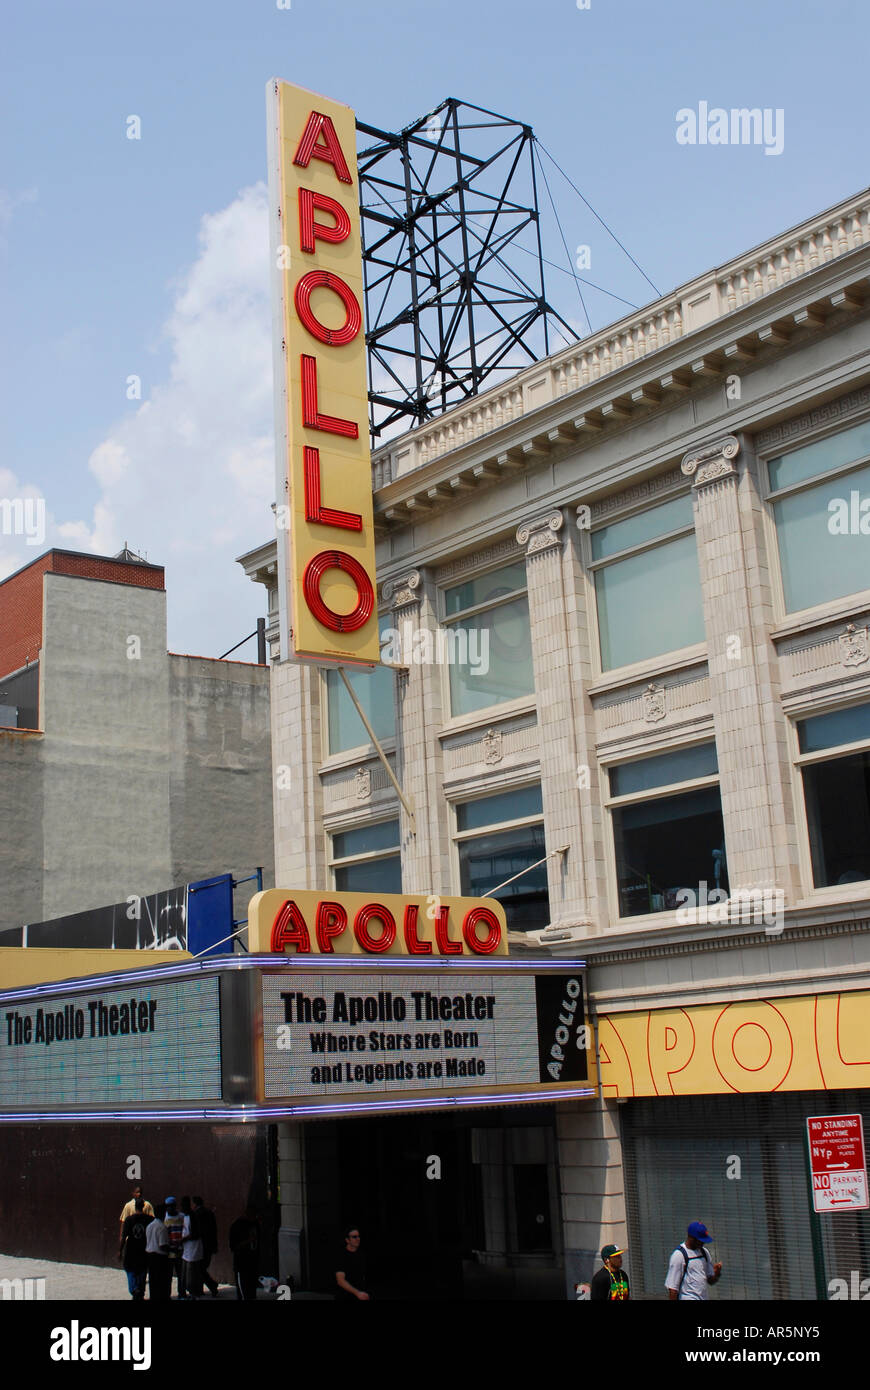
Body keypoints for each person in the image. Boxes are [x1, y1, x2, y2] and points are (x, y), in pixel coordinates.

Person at [666, 1222, 723, 1301]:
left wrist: (716, 1273)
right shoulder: (679, 1256)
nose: (703, 1243)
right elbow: (673, 1289)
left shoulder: (704, 1253)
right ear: (691, 1237)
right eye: (700, 1240)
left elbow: (710, 1281)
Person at [119, 1197, 149, 1300]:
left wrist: (120, 1250)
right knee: (142, 1271)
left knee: (130, 1270)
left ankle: (134, 1289)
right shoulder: (149, 1219)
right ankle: (139, 1290)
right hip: (144, 1250)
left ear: (135, 1206)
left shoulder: (129, 1220)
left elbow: (123, 1237)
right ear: (144, 1206)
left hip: (131, 1250)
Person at [229, 1206, 260, 1300]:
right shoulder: (237, 1226)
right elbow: (233, 1246)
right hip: (242, 1262)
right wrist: (248, 1241)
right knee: (243, 1289)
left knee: (251, 1288)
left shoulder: (255, 1224)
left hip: (252, 1260)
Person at [193, 1196, 219, 1297]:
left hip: (201, 1246)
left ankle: (212, 1285)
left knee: (199, 1268)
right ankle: (206, 1287)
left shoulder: (196, 1215)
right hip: (209, 1245)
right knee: (202, 1268)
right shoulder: (209, 1213)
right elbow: (214, 1229)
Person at [335, 1226, 369, 1302]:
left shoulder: (361, 1254)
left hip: (360, 1295)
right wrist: (357, 1293)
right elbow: (340, 1281)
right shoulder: (341, 1256)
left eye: (358, 1236)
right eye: (354, 1237)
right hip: (345, 1296)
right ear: (347, 1240)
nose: (358, 1239)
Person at [145, 1203, 171, 1301]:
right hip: (160, 1257)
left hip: (150, 1255)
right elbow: (162, 1245)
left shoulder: (149, 1226)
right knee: (162, 1281)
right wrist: (171, 1250)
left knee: (153, 1280)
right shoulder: (162, 1227)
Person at [181, 1195, 204, 1299]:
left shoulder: (192, 1216)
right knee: (187, 1274)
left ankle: (194, 1293)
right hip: (187, 1250)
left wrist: (184, 1239)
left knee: (191, 1275)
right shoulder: (186, 1215)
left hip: (193, 1250)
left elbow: (195, 1233)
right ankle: (193, 1293)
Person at [163, 1196, 186, 1299]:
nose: (170, 1208)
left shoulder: (182, 1217)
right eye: (168, 1206)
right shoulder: (165, 1218)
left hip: (180, 1250)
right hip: (170, 1251)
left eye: (171, 1206)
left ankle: (182, 1293)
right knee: (168, 1276)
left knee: (181, 1274)